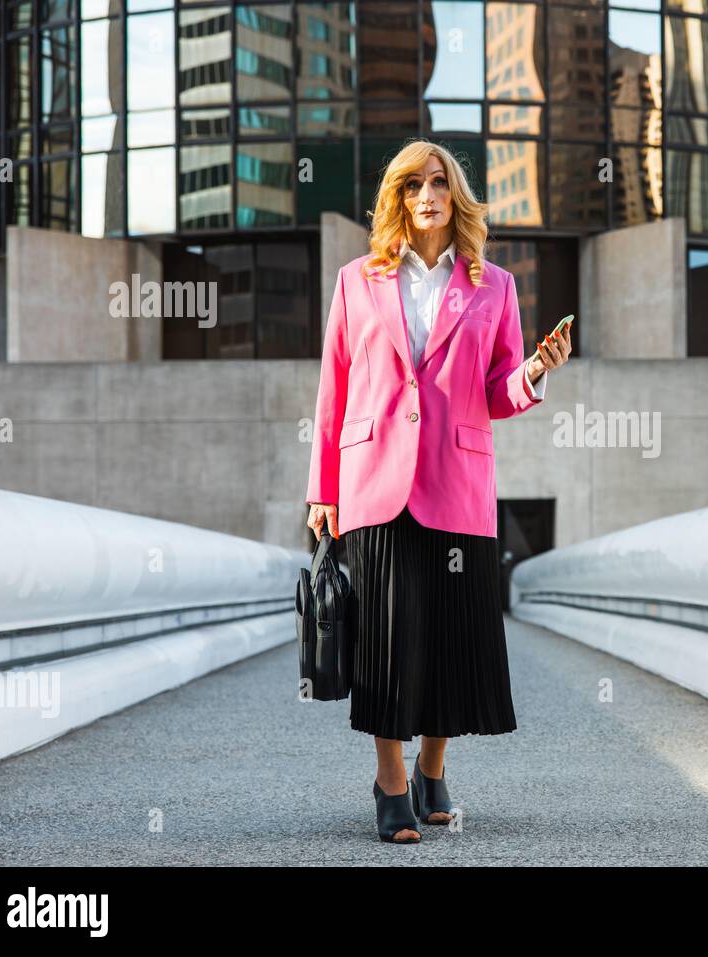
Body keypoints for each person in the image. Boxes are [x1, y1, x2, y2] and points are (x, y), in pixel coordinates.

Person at [304, 139, 572, 844]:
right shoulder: (356, 280)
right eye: (414, 183)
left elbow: (500, 391)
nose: (428, 194)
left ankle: (431, 768)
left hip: (457, 482)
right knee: (387, 643)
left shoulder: (496, 288)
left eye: (440, 183)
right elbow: (333, 390)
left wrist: (537, 371)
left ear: (456, 197)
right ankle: (391, 782)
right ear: (397, 197)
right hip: (373, 484)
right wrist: (321, 487)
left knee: (450, 641)